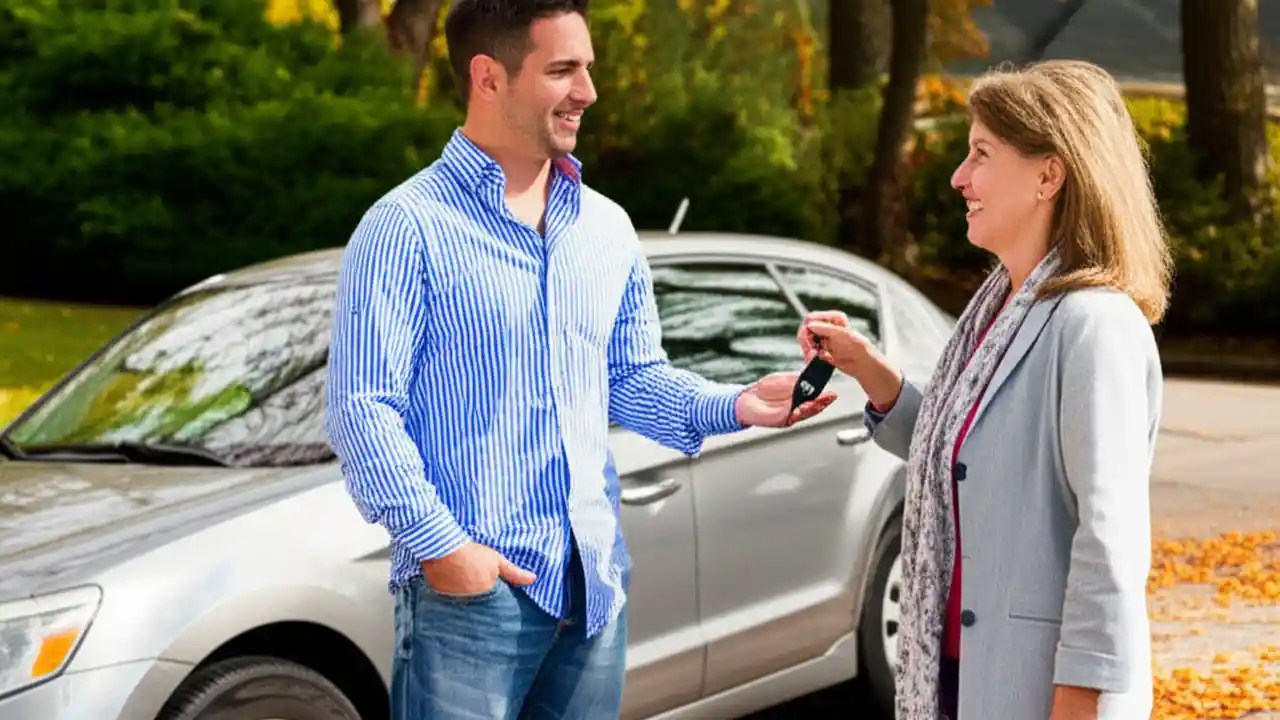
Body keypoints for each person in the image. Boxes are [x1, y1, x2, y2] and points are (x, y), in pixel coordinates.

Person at [323, 1, 835, 718]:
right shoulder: (405, 228)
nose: (589, 91)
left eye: (588, 67)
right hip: (471, 602)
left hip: (593, 591)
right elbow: (362, 409)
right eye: (563, 69)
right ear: (488, 77)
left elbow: (630, 378)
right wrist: (445, 549)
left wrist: (736, 403)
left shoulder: (607, 227)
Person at [800, 59, 1171, 720]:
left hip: (1039, 689)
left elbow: (1108, 537)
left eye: (981, 155)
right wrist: (872, 373)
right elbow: (972, 462)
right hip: (963, 675)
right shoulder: (1000, 309)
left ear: (1048, 175)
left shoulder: (1092, 323)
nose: (958, 177)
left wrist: (1081, 698)